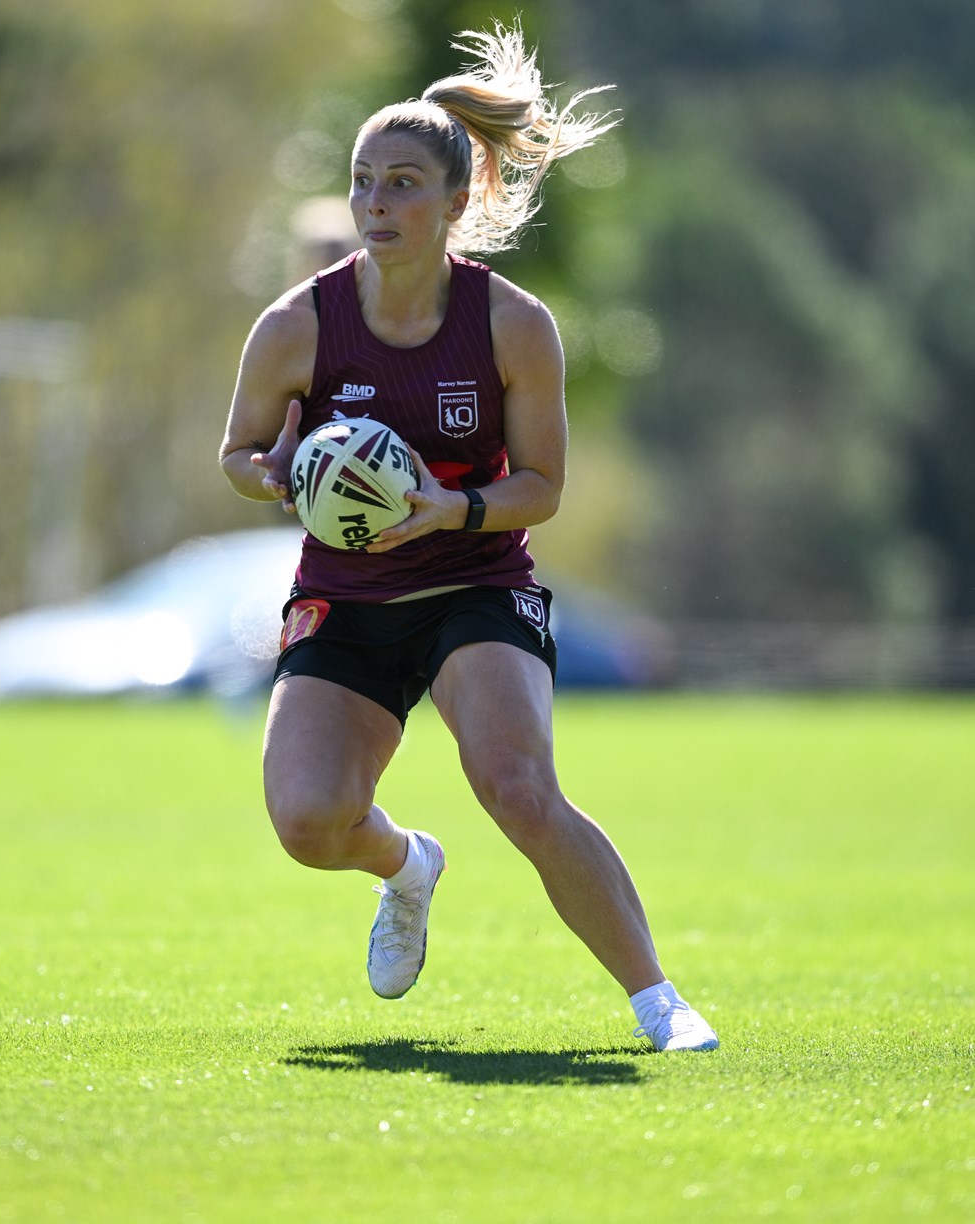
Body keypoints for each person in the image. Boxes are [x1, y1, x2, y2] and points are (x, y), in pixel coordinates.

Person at [220, 22, 718, 1052]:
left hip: (475, 584)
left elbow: (542, 489)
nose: (375, 204)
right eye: (363, 183)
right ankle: (408, 867)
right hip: (346, 597)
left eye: (402, 185)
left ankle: (658, 1002)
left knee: (520, 789)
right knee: (308, 822)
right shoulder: (295, 326)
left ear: (456, 203)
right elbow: (237, 453)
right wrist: (272, 474)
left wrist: (455, 509)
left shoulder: (513, 324)